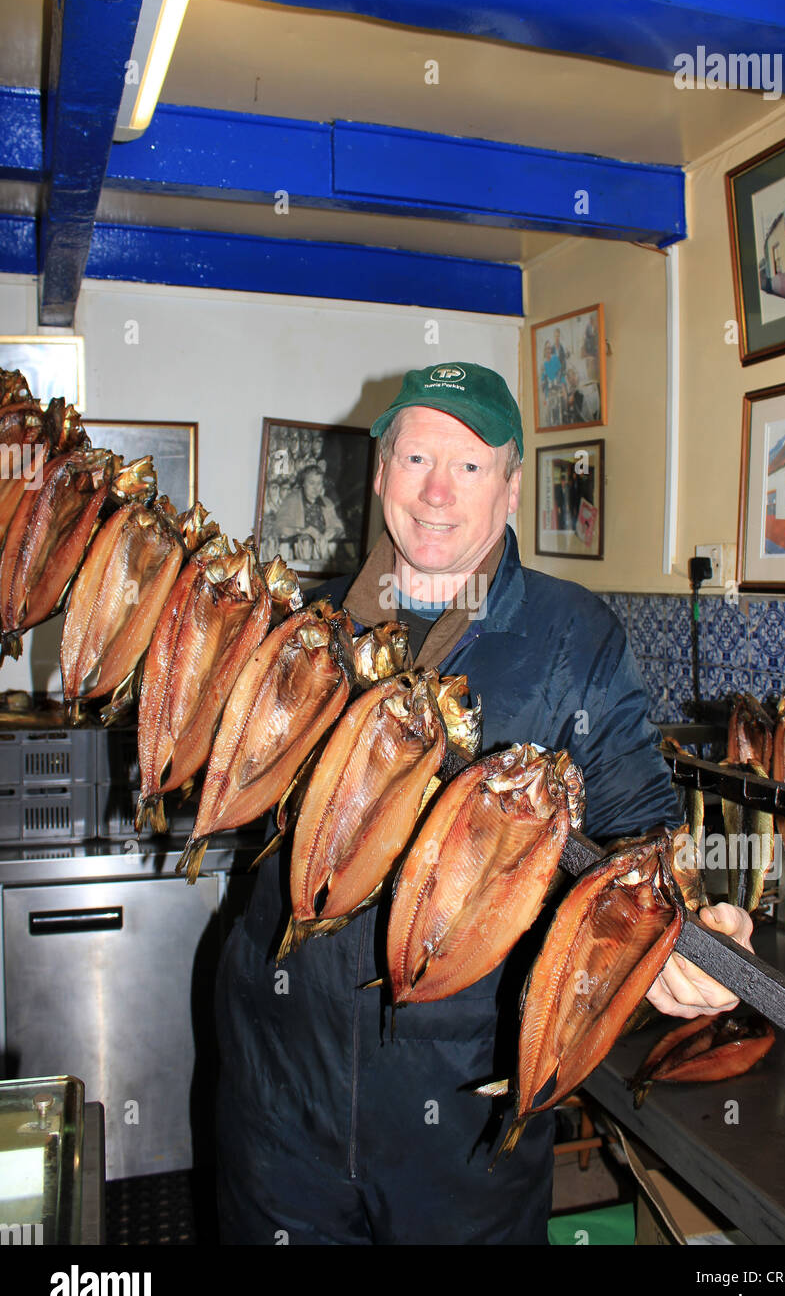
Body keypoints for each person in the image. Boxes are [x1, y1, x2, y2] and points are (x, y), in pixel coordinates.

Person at [215, 361, 753, 1245]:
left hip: (462, 1104)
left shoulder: (574, 636)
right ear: (381, 474)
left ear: (510, 492)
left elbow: (641, 822)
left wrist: (684, 923)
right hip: (279, 1086)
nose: (436, 492)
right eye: (417, 458)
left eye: (470, 467)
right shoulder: (302, 625)